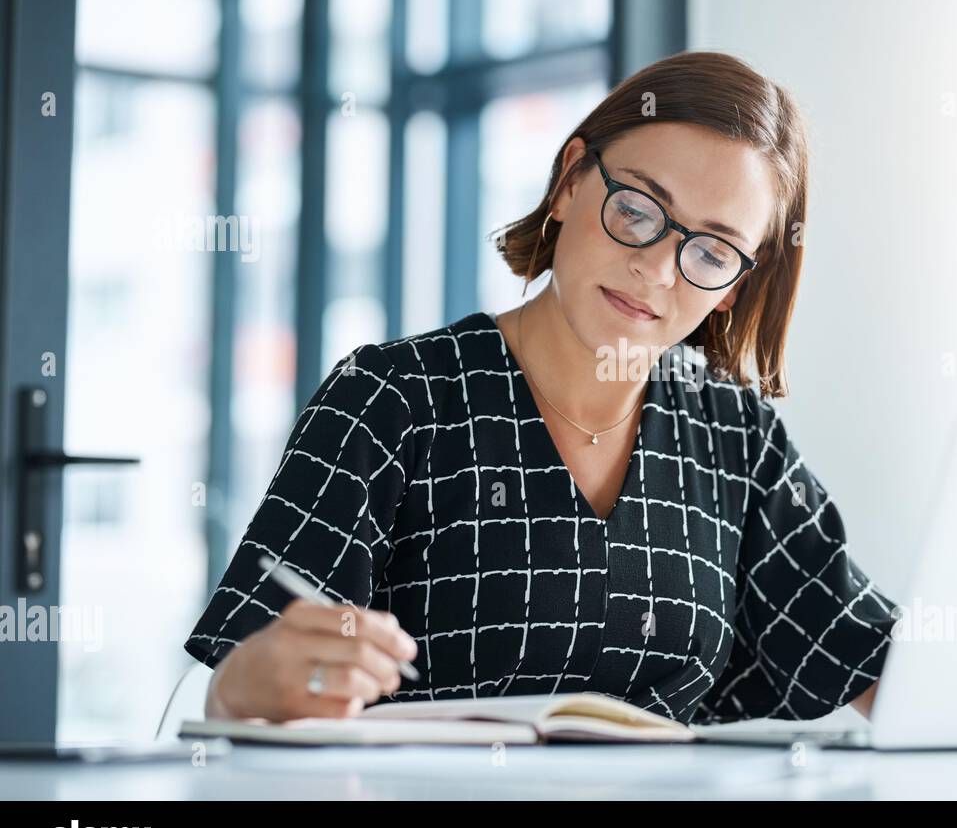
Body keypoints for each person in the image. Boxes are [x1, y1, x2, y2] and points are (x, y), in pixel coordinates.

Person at [185, 50, 897, 725]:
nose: (657, 269)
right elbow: (239, 688)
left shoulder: (735, 439)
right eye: (640, 211)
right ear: (569, 181)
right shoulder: (392, 399)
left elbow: (878, 661)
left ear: (735, 287)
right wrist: (248, 681)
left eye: (711, 251)